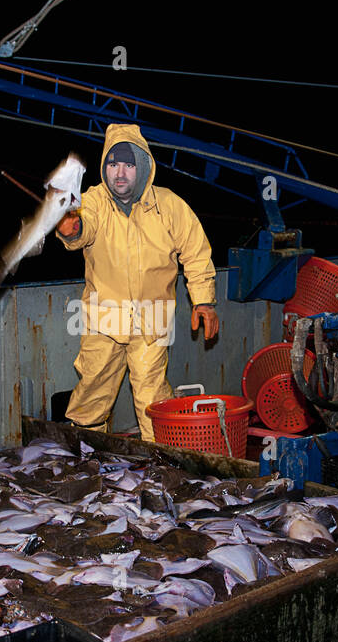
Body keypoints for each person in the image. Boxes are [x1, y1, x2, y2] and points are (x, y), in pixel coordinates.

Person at [55, 123, 219, 441]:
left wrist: (203, 300)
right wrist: (69, 227)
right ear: (105, 166)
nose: (120, 172)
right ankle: (85, 456)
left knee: (153, 397)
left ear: (142, 165)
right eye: (113, 163)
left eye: (129, 164)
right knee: (92, 392)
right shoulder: (94, 201)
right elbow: (80, 229)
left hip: (151, 321)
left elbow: (197, 254)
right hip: (103, 320)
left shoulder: (170, 206)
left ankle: (160, 463)